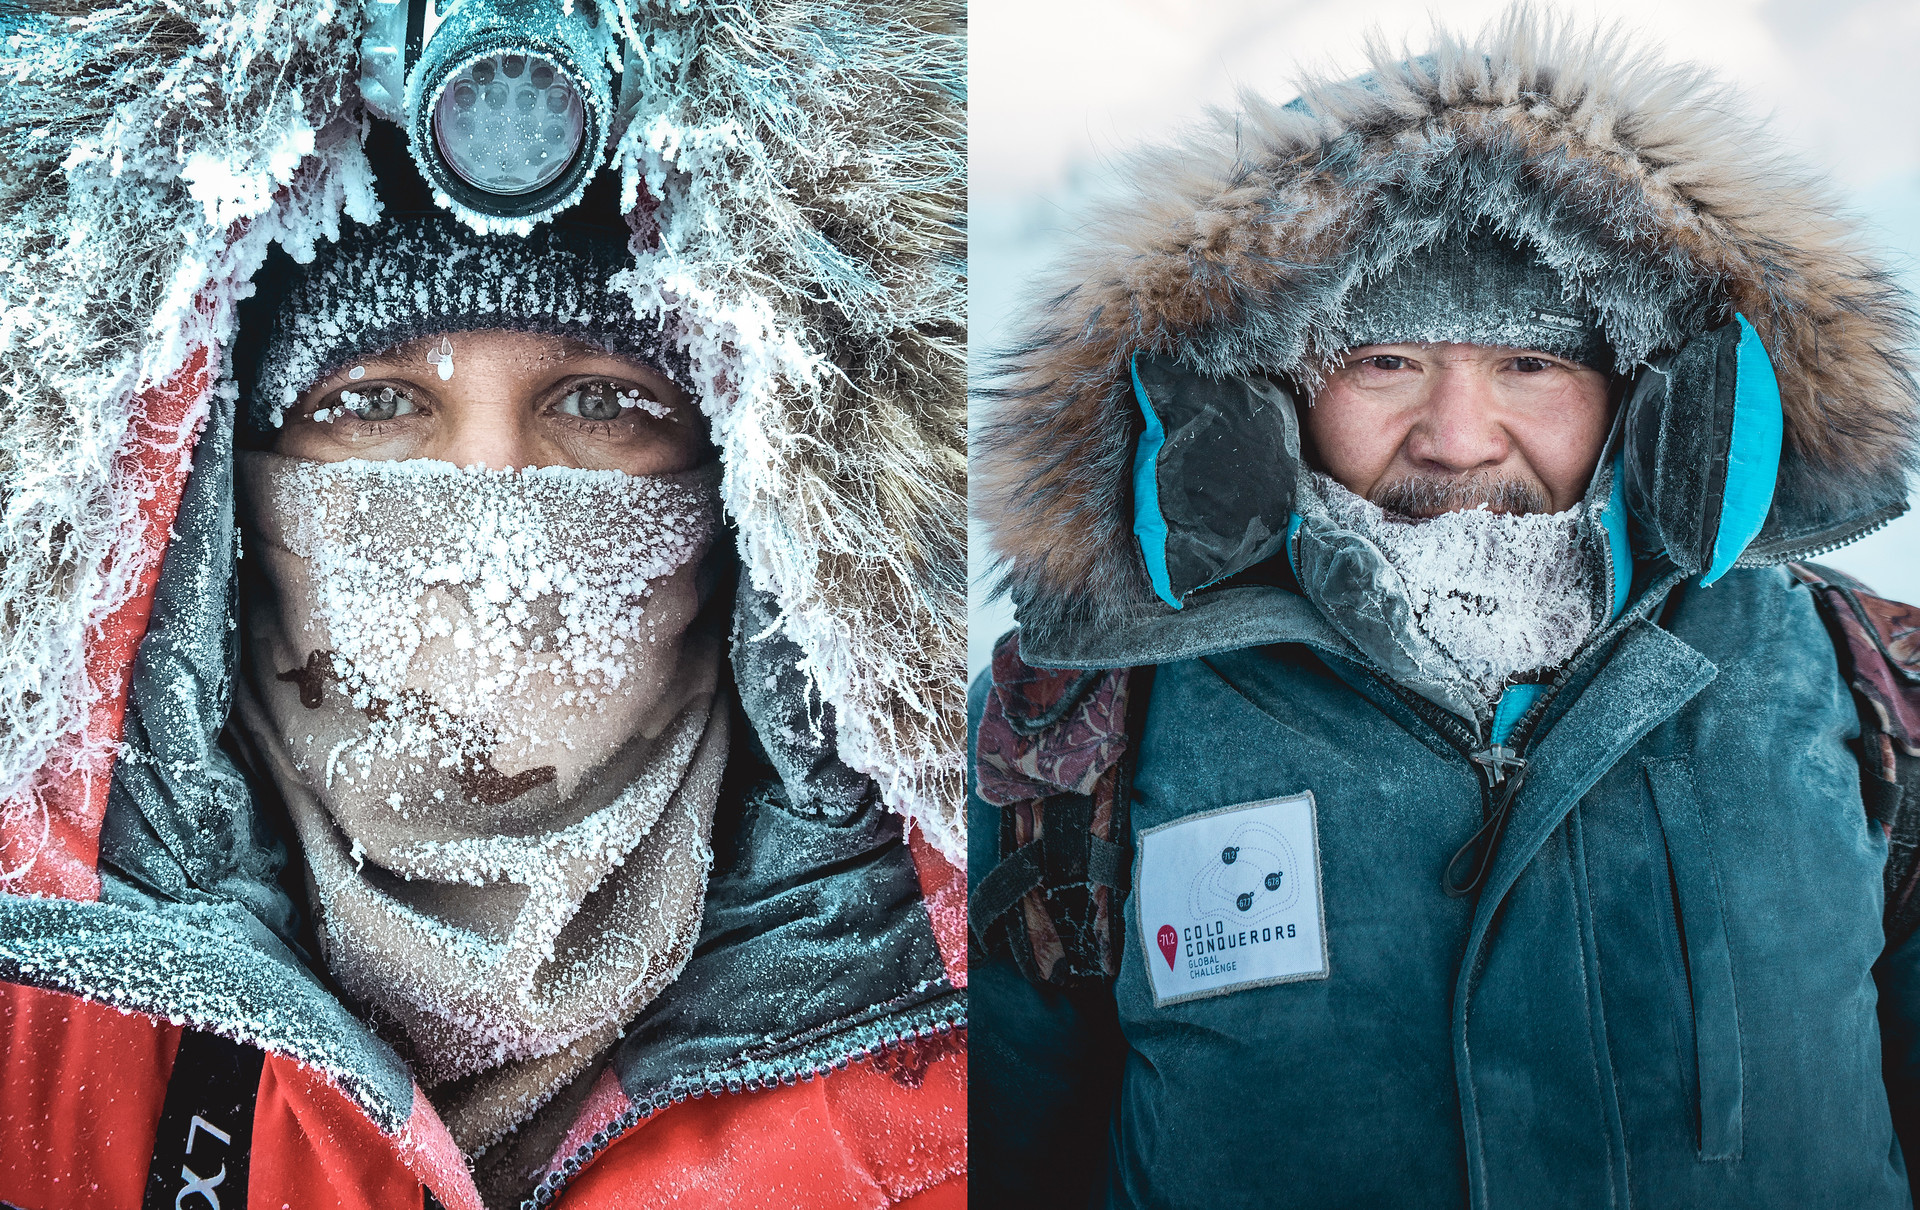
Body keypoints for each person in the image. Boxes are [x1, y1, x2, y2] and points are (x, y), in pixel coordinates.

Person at [0, 2, 966, 1208]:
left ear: (749, 498)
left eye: (603, 405)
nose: (493, 525)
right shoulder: (34, 1032)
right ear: (219, 502)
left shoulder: (964, 1073)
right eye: (372, 404)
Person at [970, 12, 1920, 1209]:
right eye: (1386, 363)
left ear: (1646, 387)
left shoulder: (1860, 687)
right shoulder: (1073, 732)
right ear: (1268, 388)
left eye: (1532, 363)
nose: (1458, 438)